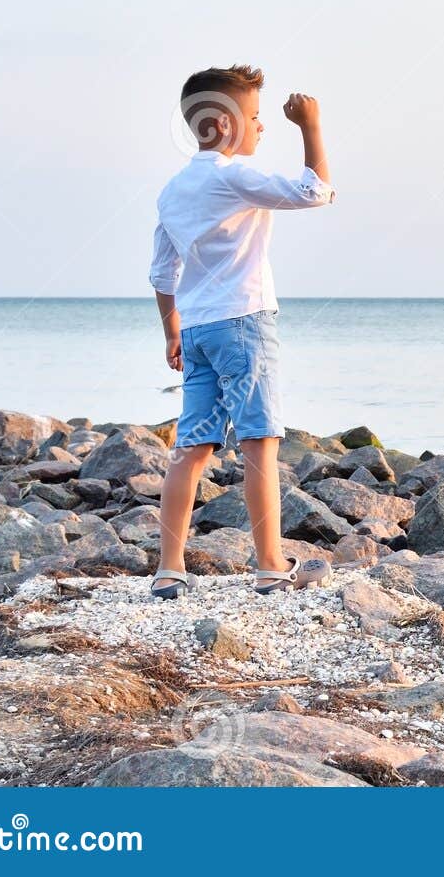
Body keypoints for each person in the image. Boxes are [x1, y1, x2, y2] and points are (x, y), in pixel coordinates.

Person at [146, 64, 335, 598]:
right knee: (258, 443)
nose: (262, 126)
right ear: (227, 126)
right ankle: (272, 564)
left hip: (200, 328)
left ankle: (169, 568)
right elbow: (315, 191)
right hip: (246, 324)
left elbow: (163, 273)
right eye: (255, 116)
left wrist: (171, 332)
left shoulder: (173, 190)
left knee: (191, 448)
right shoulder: (232, 176)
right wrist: (310, 125)